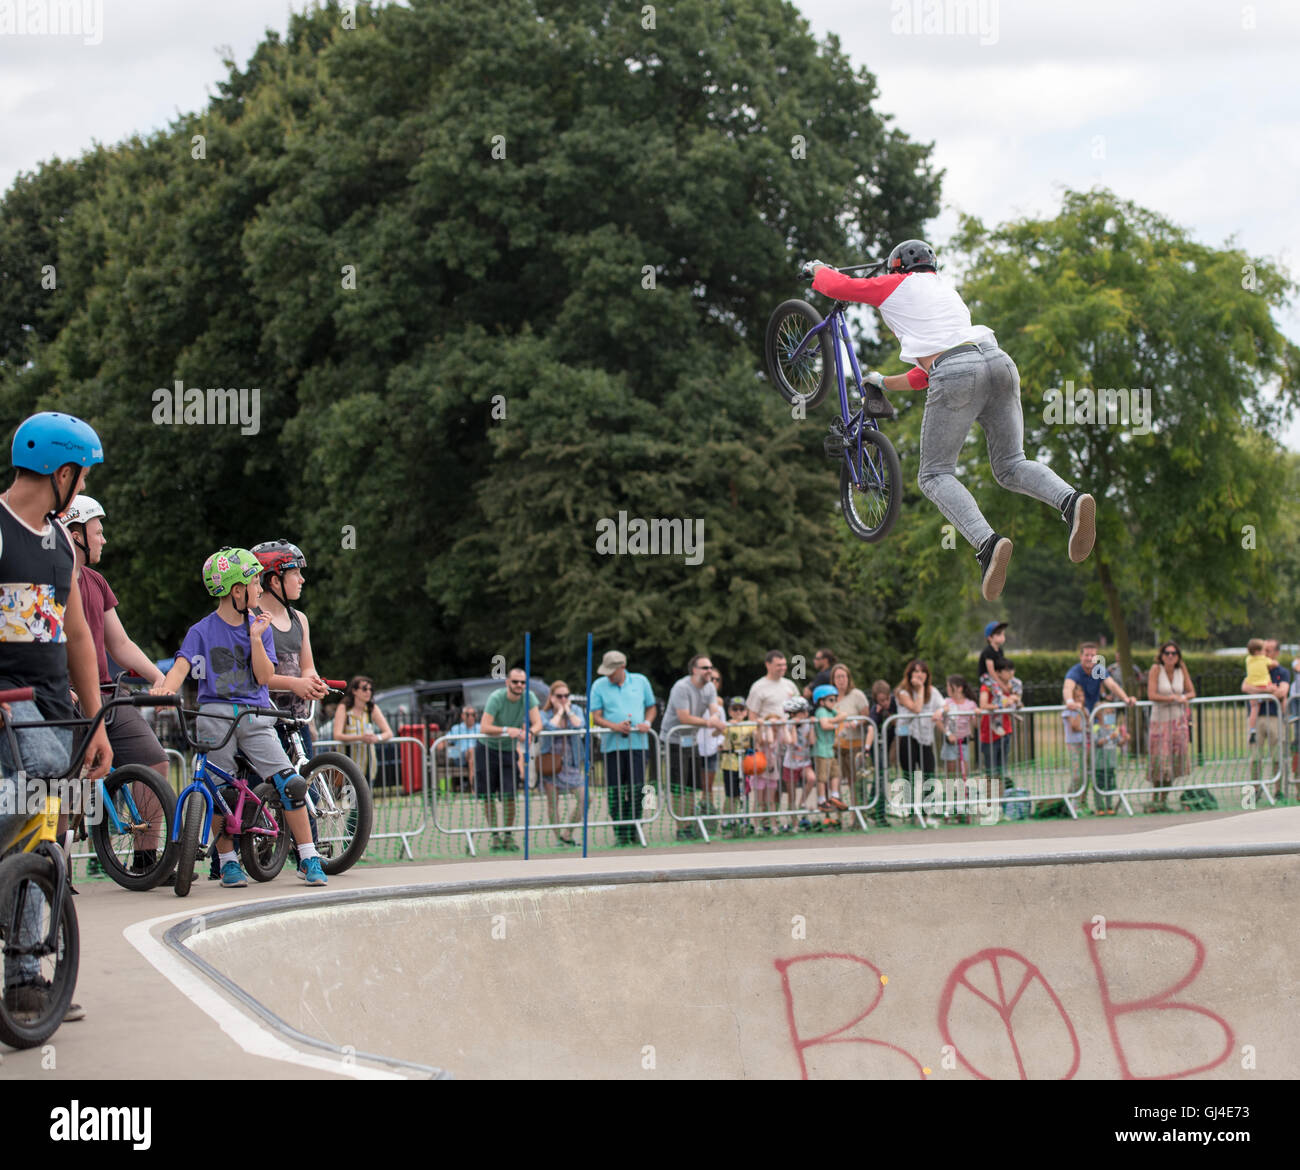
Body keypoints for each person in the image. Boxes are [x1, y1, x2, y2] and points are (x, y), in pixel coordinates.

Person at [806, 245, 1095, 601]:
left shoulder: (896, 285)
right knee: (1011, 464)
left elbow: (840, 287)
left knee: (934, 475)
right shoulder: (947, 293)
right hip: (998, 362)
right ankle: (1070, 499)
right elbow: (924, 375)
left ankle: (988, 544)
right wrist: (882, 381)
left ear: (897, 269)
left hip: (957, 371)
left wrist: (817, 268)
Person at [1, 412, 112, 1026]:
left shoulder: (58, 543)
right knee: (42, 775)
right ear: (63, 472)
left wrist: (94, 724)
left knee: (48, 834)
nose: (84, 484)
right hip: (5, 702)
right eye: (84, 474)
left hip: (50, 704)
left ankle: (24, 982)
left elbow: (76, 638)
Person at [152, 548, 329, 886]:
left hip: (255, 714)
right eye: (254, 583)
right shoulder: (201, 631)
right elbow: (180, 667)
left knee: (291, 784)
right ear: (237, 591)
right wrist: (165, 692)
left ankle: (309, 856)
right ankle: (228, 860)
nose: (260, 590)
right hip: (215, 714)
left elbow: (264, 677)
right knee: (221, 791)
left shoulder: (258, 626)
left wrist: (256, 640)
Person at [62, 495, 172, 880]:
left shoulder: (96, 581)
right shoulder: (47, 579)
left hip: (107, 693)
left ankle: (145, 857)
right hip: (65, 697)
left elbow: (120, 644)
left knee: (154, 760)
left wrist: (158, 677)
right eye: (98, 531)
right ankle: (53, 867)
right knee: (68, 780)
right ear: (75, 534)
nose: (104, 539)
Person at [251, 541, 329, 757]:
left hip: (297, 719)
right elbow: (255, 675)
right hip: (263, 722)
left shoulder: (300, 619)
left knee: (309, 786)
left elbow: (308, 667)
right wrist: (295, 684)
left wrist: (312, 683)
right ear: (275, 580)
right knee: (266, 788)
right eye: (295, 573)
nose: (302, 580)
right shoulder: (251, 618)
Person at [589, 651, 657, 846]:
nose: (608, 675)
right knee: (616, 791)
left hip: (638, 745)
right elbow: (596, 716)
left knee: (639, 789)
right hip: (612, 747)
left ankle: (636, 829)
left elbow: (651, 707)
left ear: (622, 667)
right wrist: (615, 726)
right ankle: (620, 832)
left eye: (612, 671)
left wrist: (646, 722)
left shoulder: (641, 681)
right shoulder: (598, 686)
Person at [1063, 642, 1137, 813]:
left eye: (1093, 655)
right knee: (1078, 773)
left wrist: (1126, 699)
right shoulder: (1075, 671)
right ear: (1081, 656)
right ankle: (1068, 803)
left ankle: (1081, 804)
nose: (1090, 658)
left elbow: (1111, 685)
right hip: (1078, 723)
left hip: (1091, 726)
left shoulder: (1098, 670)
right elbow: (1068, 687)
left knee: (1091, 770)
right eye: (1086, 655)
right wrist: (1069, 702)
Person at [660, 655, 726, 840]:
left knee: (692, 786)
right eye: (705, 667)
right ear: (694, 670)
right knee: (678, 787)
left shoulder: (710, 687)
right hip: (674, 740)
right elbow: (685, 718)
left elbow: (714, 709)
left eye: (711, 667)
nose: (709, 671)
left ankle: (689, 823)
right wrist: (710, 723)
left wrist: (714, 718)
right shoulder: (681, 688)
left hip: (692, 740)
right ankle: (681, 827)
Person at [479, 666, 544, 852]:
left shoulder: (528, 697)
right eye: (515, 681)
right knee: (488, 796)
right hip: (487, 748)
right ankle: (495, 836)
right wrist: (508, 730)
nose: (519, 685)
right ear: (508, 682)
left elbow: (538, 723)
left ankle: (508, 836)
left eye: (523, 682)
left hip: (508, 751)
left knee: (510, 796)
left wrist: (530, 732)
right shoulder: (496, 698)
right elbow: (484, 727)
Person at [1145, 642, 1194, 812]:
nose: (1170, 656)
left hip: (1178, 721)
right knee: (1160, 762)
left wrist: (1183, 697)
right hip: (1160, 721)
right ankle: (1155, 799)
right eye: (1167, 653)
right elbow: (1151, 694)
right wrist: (1173, 698)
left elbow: (1191, 692)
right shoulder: (1155, 670)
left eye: (1174, 653)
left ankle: (1163, 799)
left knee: (1174, 762)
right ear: (1161, 655)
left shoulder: (1182, 669)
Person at [746, 650, 799, 805]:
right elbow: (752, 716)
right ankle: (764, 818)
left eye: (784, 664)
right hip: (768, 744)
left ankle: (778, 816)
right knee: (765, 783)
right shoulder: (759, 687)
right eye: (778, 665)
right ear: (768, 665)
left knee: (783, 782)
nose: (782, 668)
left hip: (787, 741)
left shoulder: (790, 685)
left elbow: (798, 710)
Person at [1242, 638, 1289, 798]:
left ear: (1276, 653)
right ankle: (1255, 789)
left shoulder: (1281, 672)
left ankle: (1278, 789)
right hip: (1256, 718)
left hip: (1274, 717)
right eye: (1264, 650)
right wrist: (1267, 691)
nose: (1265, 653)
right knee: (1255, 756)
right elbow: (1245, 687)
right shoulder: (1254, 666)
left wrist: (1261, 691)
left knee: (1277, 755)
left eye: (1269, 650)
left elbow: (1282, 692)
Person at [539, 681, 584, 846]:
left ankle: (567, 834)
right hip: (550, 763)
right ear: (552, 697)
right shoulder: (544, 713)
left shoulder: (576, 710)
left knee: (586, 798)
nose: (564, 699)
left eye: (566, 696)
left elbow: (581, 725)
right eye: (559, 696)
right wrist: (559, 712)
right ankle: (558, 838)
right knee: (553, 803)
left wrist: (568, 711)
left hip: (570, 762)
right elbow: (549, 727)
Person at [333, 677, 394, 786]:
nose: (368, 692)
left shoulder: (372, 709)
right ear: (354, 691)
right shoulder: (344, 708)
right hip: (348, 764)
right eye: (365, 689)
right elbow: (337, 735)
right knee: (351, 799)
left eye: (371, 689)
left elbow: (388, 733)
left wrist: (377, 738)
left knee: (366, 798)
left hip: (368, 764)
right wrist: (360, 738)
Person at [828, 662, 871, 817]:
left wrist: (857, 722)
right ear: (833, 679)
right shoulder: (830, 698)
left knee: (855, 781)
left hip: (855, 744)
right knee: (835, 780)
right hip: (836, 745)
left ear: (848, 678)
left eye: (843, 676)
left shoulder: (856, 695)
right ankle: (837, 817)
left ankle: (858, 816)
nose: (841, 680)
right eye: (838, 677)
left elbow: (866, 716)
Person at [895, 659, 943, 785]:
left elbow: (945, 705)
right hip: (907, 735)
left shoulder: (932, 691)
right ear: (910, 674)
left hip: (925, 737)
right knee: (909, 775)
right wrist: (921, 688)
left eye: (923, 672)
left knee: (929, 772)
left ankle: (928, 804)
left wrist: (940, 710)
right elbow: (917, 708)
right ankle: (909, 804)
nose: (920, 674)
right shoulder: (902, 692)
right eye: (916, 671)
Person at [719, 697, 754, 836]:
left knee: (744, 793)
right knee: (730, 794)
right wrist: (725, 725)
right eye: (735, 709)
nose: (738, 712)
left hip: (745, 765)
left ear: (746, 712)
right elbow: (715, 733)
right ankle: (728, 819)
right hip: (729, 764)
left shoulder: (750, 725)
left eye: (741, 709)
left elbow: (758, 734)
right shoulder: (728, 725)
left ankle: (744, 819)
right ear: (730, 711)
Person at [865, 680, 897, 826]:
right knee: (881, 777)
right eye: (881, 701)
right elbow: (871, 728)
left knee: (882, 777)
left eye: (886, 699)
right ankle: (879, 813)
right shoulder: (875, 710)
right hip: (876, 746)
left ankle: (874, 808)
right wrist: (866, 748)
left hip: (889, 745)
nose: (884, 703)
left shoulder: (895, 703)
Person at [811, 685, 843, 827]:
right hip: (821, 750)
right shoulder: (821, 711)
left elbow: (844, 715)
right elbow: (824, 725)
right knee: (822, 778)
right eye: (831, 699)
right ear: (821, 701)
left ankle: (834, 796)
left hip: (830, 750)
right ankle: (821, 799)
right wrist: (837, 724)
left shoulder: (830, 711)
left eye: (835, 699)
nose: (834, 702)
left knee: (836, 773)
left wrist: (837, 718)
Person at [1092, 703, 1130, 816]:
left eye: (1112, 713)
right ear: (1099, 714)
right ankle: (1099, 807)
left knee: (1109, 786)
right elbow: (1097, 742)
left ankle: (1109, 806)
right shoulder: (1096, 728)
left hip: (1111, 763)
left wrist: (1125, 739)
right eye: (1107, 713)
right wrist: (1109, 737)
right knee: (1098, 786)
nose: (1110, 715)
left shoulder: (1113, 728)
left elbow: (1119, 743)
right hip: (1099, 763)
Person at [443, 704, 480, 792]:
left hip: (478, 756)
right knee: (471, 751)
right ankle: (473, 788)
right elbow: (445, 741)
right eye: (468, 714)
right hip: (460, 757)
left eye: (473, 715)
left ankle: (474, 787)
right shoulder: (457, 728)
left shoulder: (480, 727)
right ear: (463, 716)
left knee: (473, 755)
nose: (471, 717)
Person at [978, 621, 1007, 687]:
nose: (1002, 637)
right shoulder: (988, 651)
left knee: (1016, 682)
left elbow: (1001, 666)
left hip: (997, 674)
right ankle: (1001, 697)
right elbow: (991, 671)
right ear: (990, 638)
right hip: (986, 676)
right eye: (999, 634)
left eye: (1003, 634)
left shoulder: (1000, 650)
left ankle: (1015, 697)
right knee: (996, 687)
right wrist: (1002, 685)